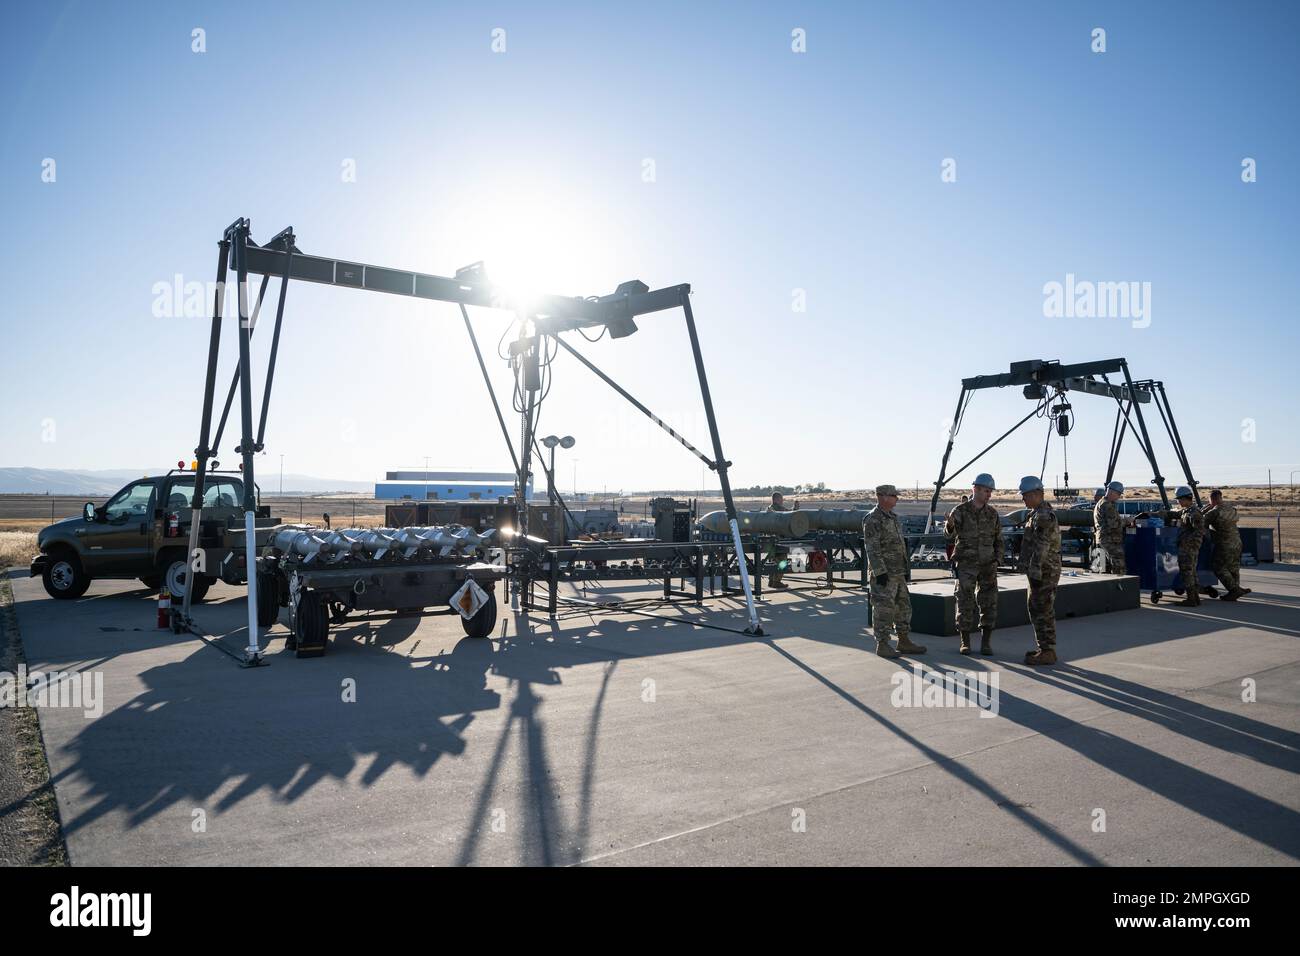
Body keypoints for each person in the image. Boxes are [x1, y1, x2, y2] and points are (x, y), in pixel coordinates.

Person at [862, 484, 926, 658]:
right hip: (884, 574)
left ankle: (903, 640)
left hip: (898, 572)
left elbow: (899, 545)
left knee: (903, 607)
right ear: (883, 497)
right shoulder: (873, 519)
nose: (897, 498)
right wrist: (880, 572)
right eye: (894, 496)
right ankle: (882, 644)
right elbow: (872, 548)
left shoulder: (892, 517)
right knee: (884, 609)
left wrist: (905, 568)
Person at [944, 473, 1002, 655]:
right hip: (966, 565)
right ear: (975, 489)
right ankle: (965, 641)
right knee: (964, 602)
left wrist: (997, 559)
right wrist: (950, 525)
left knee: (989, 603)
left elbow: (999, 539)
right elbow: (949, 536)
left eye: (990, 492)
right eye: (986, 491)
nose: (989, 495)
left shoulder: (992, 514)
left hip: (988, 565)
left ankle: (986, 643)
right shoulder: (960, 511)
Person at [1017, 476, 1061, 665]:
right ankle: (1044, 647)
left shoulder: (1043, 516)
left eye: (1025, 495)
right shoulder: (1036, 514)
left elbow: (1042, 546)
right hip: (1040, 570)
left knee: (1042, 609)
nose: (1023, 499)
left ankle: (1048, 650)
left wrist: (1034, 571)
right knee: (1036, 608)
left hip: (1044, 571)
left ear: (1036, 494)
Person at [1147, 486, 1206, 606]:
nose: (1178, 502)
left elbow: (1200, 532)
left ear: (1185, 499)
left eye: (1179, 499)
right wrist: (1152, 514)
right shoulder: (1186, 511)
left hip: (1189, 548)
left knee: (1187, 572)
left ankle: (1191, 599)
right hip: (1187, 547)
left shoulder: (1194, 513)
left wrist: (1188, 544)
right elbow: (1172, 514)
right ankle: (1195, 598)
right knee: (1191, 572)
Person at [1202, 489, 1250, 601]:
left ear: (1211, 499)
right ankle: (1236, 590)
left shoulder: (1214, 512)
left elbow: (1200, 522)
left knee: (1218, 567)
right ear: (1221, 498)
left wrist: (1205, 509)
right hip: (1237, 542)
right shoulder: (1230, 508)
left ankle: (1234, 590)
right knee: (1234, 567)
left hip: (1224, 543)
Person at [1093, 480, 1133, 574]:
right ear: (1112, 492)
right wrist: (1127, 521)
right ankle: (1119, 582)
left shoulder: (1101, 503)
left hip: (1103, 539)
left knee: (1104, 568)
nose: (1119, 497)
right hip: (1109, 540)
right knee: (1119, 566)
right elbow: (1114, 524)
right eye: (1118, 494)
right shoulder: (1107, 505)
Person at [765, 492, 793, 589]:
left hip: (770, 540)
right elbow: (790, 514)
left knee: (772, 561)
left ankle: (771, 581)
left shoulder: (769, 508)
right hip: (779, 540)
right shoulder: (778, 508)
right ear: (776, 499)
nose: (782, 501)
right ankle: (777, 581)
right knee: (782, 561)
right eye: (781, 499)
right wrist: (795, 508)